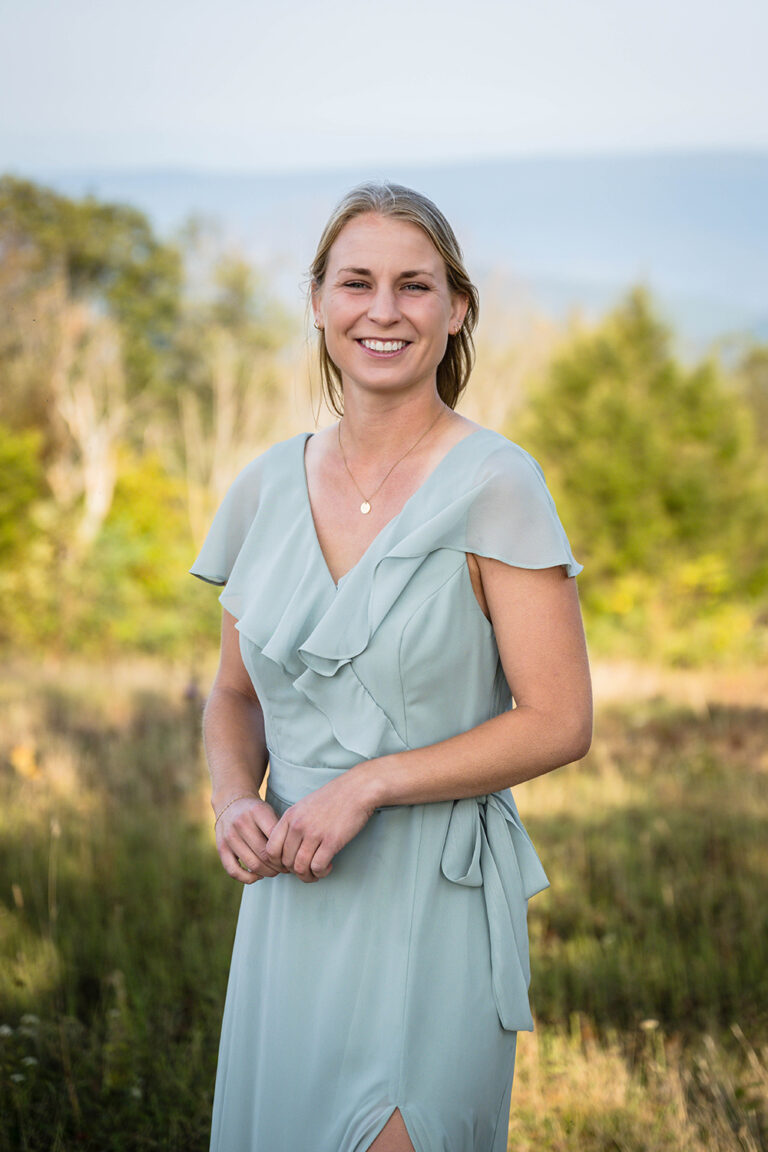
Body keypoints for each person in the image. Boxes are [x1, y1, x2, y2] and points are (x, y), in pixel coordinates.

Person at [190, 181, 592, 1152]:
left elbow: (557, 720)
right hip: (292, 896)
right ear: (320, 301)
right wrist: (236, 801)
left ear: (456, 310)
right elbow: (233, 696)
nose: (383, 311)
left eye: (414, 286)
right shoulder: (264, 488)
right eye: (356, 282)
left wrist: (367, 785)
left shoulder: (499, 482)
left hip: (430, 904)